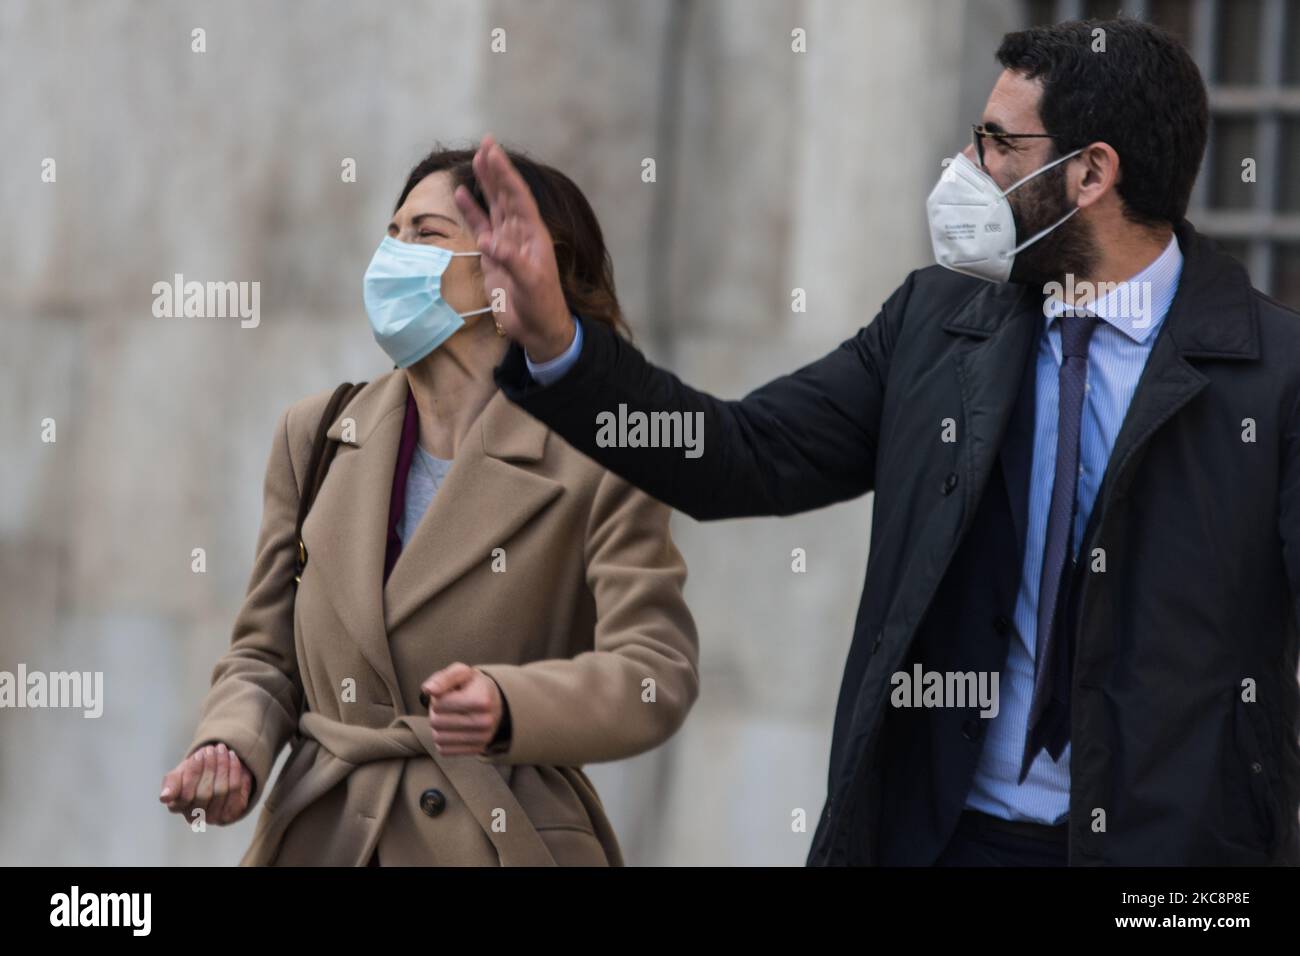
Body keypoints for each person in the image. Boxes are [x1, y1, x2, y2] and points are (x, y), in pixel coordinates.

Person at [460, 19, 1300, 865]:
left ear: (1090, 173)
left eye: (998, 142)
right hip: (944, 839)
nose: (967, 168)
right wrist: (561, 347)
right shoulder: (935, 322)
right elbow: (740, 454)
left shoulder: (1274, 375)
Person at [159, 146, 700, 866]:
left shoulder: (603, 452)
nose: (395, 255)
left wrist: (509, 706)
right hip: (324, 839)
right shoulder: (315, 433)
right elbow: (265, 653)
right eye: (393, 232)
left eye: (428, 234)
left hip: (503, 838)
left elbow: (653, 673)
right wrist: (232, 744)